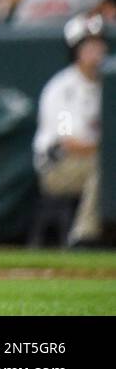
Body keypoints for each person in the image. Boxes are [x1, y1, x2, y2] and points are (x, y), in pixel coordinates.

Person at [33, 15, 106, 246]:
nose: (96, 50)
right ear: (76, 50)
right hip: (60, 166)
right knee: (103, 169)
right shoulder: (64, 88)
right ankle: (84, 237)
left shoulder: (106, 85)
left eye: (99, 43)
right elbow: (68, 140)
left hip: (91, 159)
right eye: (88, 45)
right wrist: (106, 150)